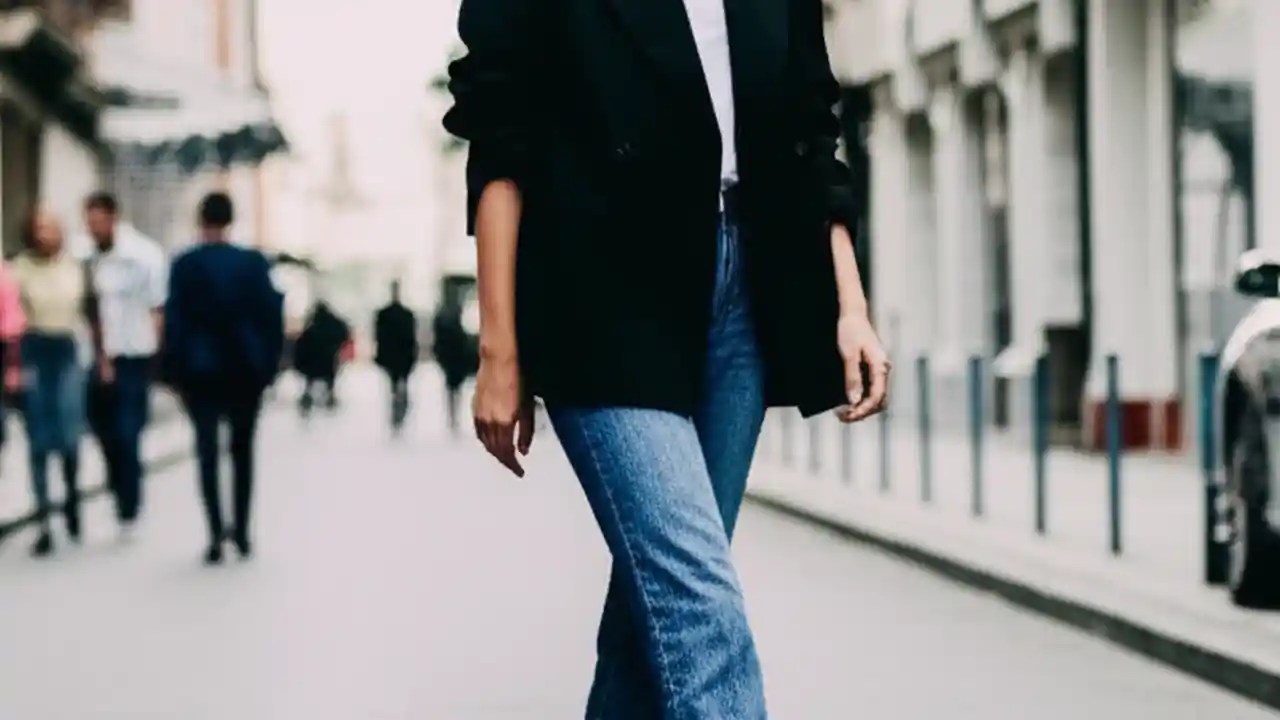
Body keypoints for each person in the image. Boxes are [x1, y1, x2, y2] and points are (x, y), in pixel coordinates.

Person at [443, 0, 892, 716]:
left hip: (745, 288)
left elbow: (810, 127)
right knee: (697, 602)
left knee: (649, 614)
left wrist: (851, 305)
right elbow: (499, 132)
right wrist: (499, 350)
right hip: (602, 289)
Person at [164, 192, 283, 565]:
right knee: (243, 452)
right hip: (246, 371)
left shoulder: (184, 264)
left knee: (207, 452)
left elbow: (175, 323)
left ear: (201, 220)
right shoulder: (252, 263)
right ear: (231, 220)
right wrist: (268, 367)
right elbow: (271, 316)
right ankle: (243, 532)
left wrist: (174, 372)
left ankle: (215, 533)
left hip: (201, 372)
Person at [82, 191, 167, 537]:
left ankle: (129, 505)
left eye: (98, 221)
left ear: (113, 218)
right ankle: (119, 487)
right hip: (97, 356)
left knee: (127, 432)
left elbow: (157, 307)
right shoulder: (86, 257)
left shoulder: (143, 256)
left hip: (133, 356)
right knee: (103, 431)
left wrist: (155, 356)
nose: (93, 229)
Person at [13, 210, 87, 557]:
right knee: (39, 438)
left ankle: (72, 499)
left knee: (69, 433)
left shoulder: (74, 266)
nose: (44, 234)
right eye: (38, 227)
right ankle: (44, 518)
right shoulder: (20, 269)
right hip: (35, 349)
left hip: (66, 349)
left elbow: (87, 311)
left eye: (50, 227)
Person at [374, 281, 419, 429]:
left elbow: (379, 337)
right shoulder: (406, 314)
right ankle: (399, 408)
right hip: (401, 356)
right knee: (400, 383)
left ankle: (397, 409)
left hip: (394, 355)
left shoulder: (384, 314)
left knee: (395, 384)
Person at [430, 293, 477, 435]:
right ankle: (453, 418)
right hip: (455, 358)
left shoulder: (443, 318)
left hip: (453, 359)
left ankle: (453, 418)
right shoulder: (453, 319)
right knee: (454, 389)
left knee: (452, 389)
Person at [293, 301, 350, 412]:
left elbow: (301, 344)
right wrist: (337, 346)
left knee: (310, 379)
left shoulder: (312, 326)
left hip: (312, 362)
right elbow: (344, 333)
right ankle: (330, 394)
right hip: (328, 359)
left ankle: (308, 394)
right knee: (329, 377)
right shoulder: (333, 325)